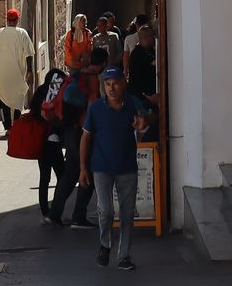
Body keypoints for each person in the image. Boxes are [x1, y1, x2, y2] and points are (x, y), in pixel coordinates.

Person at [79, 65, 152, 270]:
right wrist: (83, 168)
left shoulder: (132, 104)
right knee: (105, 210)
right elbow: (86, 137)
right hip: (101, 167)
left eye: (115, 84)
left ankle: (124, 256)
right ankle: (105, 244)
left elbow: (148, 117)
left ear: (123, 83)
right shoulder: (96, 108)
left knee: (128, 214)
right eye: (107, 84)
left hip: (127, 167)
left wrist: (143, 122)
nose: (111, 88)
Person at [47, 47, 104, 227]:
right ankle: (79, 216)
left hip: (69, 130)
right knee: (88, 172)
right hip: (82, 132)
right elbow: (93, 107)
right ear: (103, 63)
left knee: (70, 173)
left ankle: (54, 213)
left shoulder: (78, 75)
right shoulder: (93, 79)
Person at [32, 58, 71, 220]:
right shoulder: (54, 95)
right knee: (62, 176)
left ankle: (44, 211)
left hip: (39, 140)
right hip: (52, 141)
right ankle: (55, 210)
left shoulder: (39, 91)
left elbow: (33, 110)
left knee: (44, 177)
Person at [0, 8, 35, 138]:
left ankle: (8, 128)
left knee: (3, 99)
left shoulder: (0, 32)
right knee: (17, 100)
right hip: (17, 73)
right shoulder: (22, 33)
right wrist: (30, 70)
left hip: (2, 73)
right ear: (17, 20)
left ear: (7, 20)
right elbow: (29, 54)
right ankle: (15, 125)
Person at [125, 25, 158, 100]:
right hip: (141, 96)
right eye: (152, 36)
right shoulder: (137, 54)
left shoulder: (152, 51)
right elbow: (153, 64)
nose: (154, 38)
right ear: (145, 38)